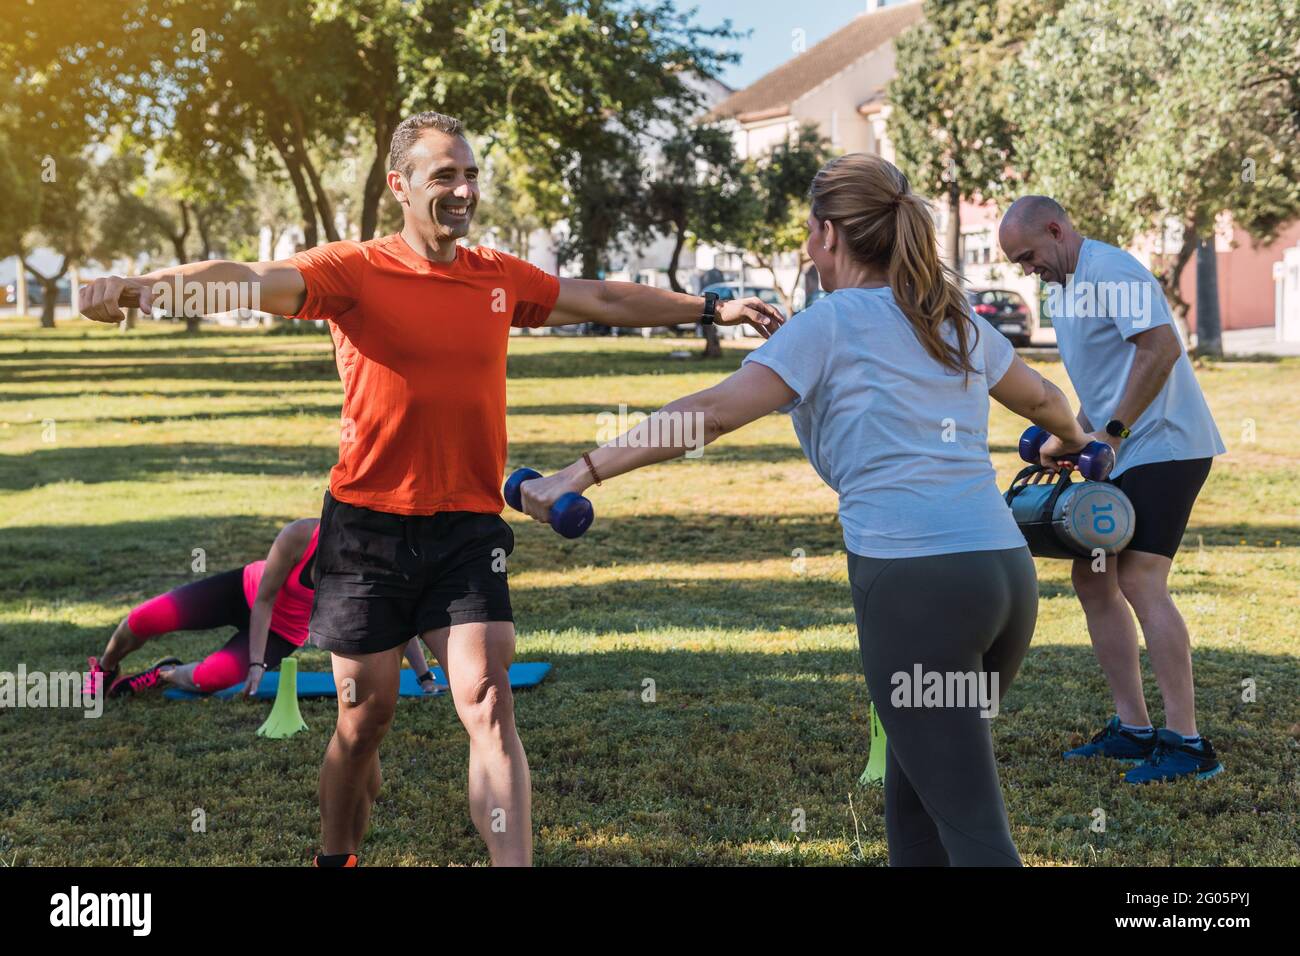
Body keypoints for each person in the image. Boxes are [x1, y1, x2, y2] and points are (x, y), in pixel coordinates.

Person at [78, 110, 784, 867]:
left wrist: (712, 306)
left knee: (486, 700)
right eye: (445, 175)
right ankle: (336, 857)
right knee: (363, 719)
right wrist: (147, 287)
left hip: (467, 530)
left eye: (471, 173)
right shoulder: (352, 271)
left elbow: (603, 300)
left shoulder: (496, 277)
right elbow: (248, 283)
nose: (463, 189)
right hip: (365, 533)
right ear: (400, 186)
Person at [519, 153, 1093, 866]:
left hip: (919, 590)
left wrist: (580, 471)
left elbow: (710, 413)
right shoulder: (947, 321)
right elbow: (1043, 400)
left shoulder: (829, 324)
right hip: (1003, 580)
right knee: (918, 794)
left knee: (974, 832)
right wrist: (1071, 441)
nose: (803, 247)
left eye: (807, 234)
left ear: (827, 235)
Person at [998, 196, 1226, 784]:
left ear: (1056, 229)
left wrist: (1113, 433)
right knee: (1092, 576)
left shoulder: (1110, 270)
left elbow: (1161, 347)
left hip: (1166, 444)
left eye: (1028, 256)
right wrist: (1067, 435)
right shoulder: (1063, 288)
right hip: (1119, 448)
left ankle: (1189, 743)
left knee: (1138, 578)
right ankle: (1134, 729)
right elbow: (1102, 379)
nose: (1028, 269)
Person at [84, 519, 441, 699]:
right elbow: (265, 600)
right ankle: (104, 668)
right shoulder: (301, 534)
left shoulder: (373, 565)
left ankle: (165, 672)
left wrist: (425, 677)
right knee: (145, 618)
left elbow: (399, 620)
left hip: (283, 632)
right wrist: (256, 664)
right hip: (244, 592)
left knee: (211, 679)